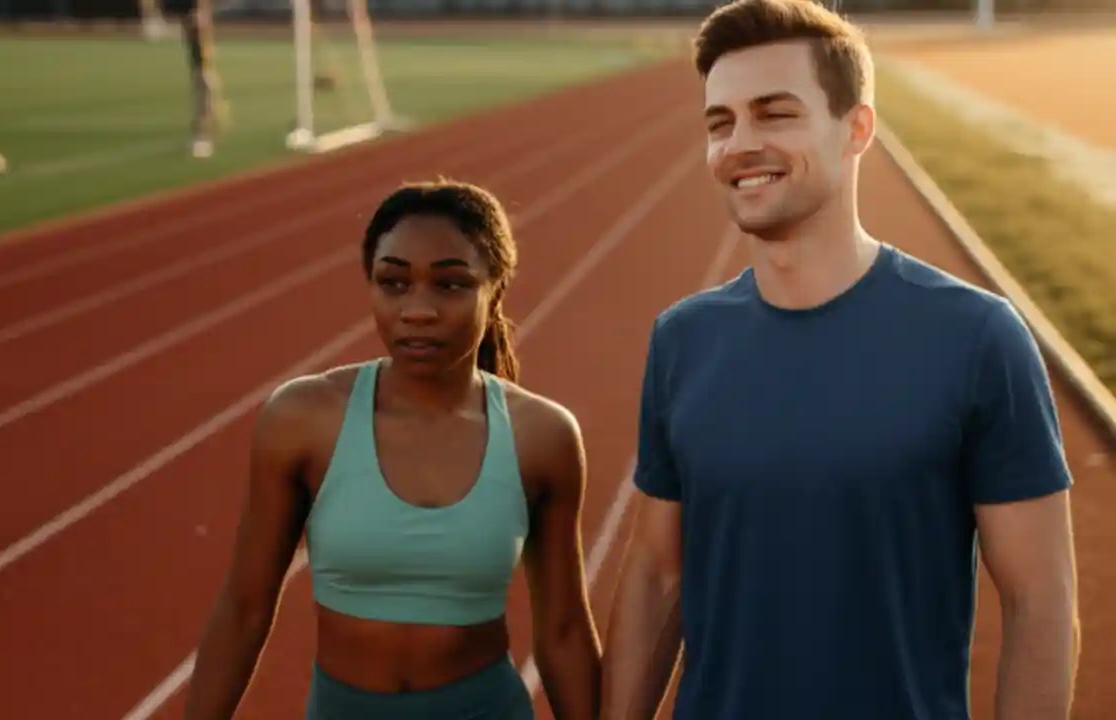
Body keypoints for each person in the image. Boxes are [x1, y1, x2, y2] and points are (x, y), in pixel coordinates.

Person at [600, 1, 1080, 718]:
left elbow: (1040, 605)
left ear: (857, 128)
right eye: (720, 122)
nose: (739, 144)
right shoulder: (683, 340)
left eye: (774, 113)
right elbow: (657, 575)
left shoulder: (977, 337)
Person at [183, 179, 602, 719]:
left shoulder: (542, 436)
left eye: (450, 285)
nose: (418, 310)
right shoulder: (303, 420)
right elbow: (244, 608)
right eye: (394, 283)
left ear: (494, 290)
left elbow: (565, 631)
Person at [142, 0, 226, 157]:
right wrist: (151, 16)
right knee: (199, 68)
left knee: (201, 68)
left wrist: (202, 11)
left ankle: (203, 130)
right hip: (178, 8)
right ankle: (205, 124)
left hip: (192, 11)